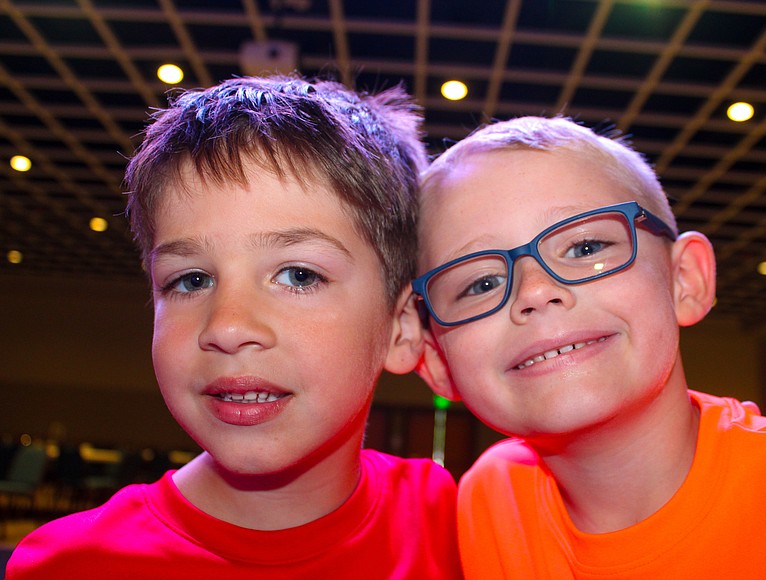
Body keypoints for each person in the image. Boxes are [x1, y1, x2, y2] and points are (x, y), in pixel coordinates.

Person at [7, 75, 462, 579]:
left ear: (401, 328)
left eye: (298, 275)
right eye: (192, 280)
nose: (226, 327)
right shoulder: (71, 566)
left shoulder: (462, 529)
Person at [412, 115, 766, 578]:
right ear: (437, 362)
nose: (535, 291)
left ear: (685, 280)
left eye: (586, 248)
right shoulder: (492, 499)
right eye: (481, 284)